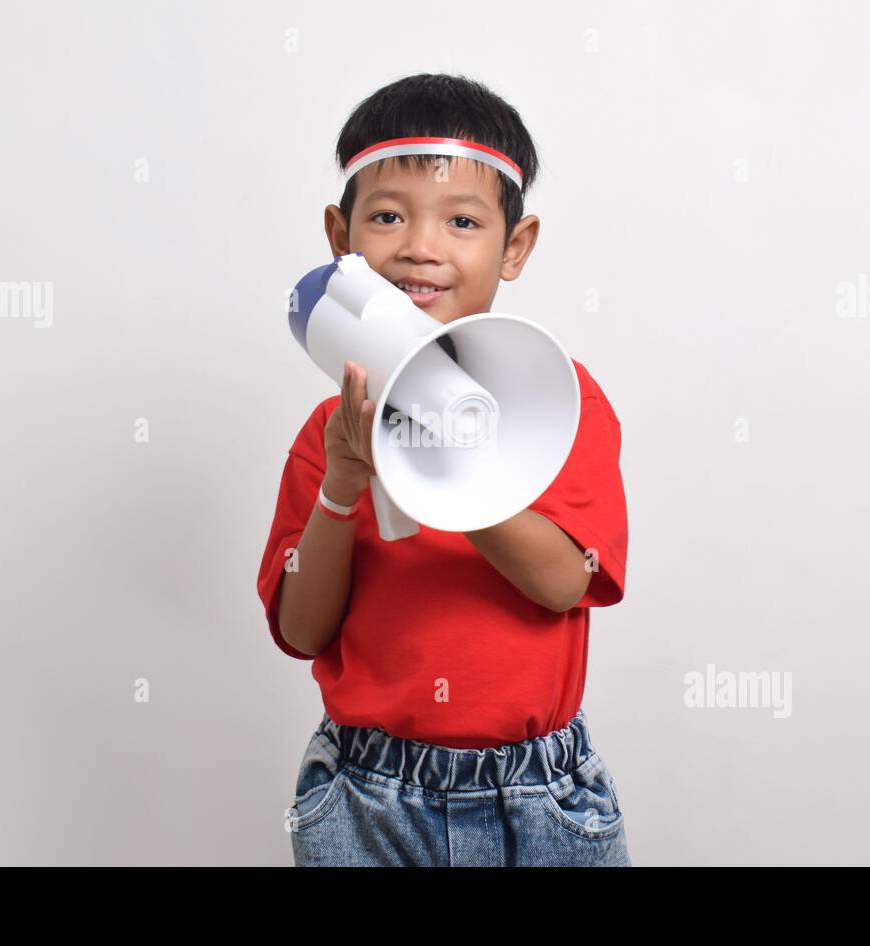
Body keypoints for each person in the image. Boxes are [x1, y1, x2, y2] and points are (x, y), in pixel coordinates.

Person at [257, 73, 630, 866]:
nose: (421, 246)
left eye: (462, 220)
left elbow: (564, 581)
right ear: (340, 237)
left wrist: (448, 459)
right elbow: (301, 628)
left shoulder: (561, 402)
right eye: (388, 216)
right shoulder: (330, 434)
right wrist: (345, 487)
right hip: (368, 795)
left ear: (515, 246)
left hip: (538, 796)